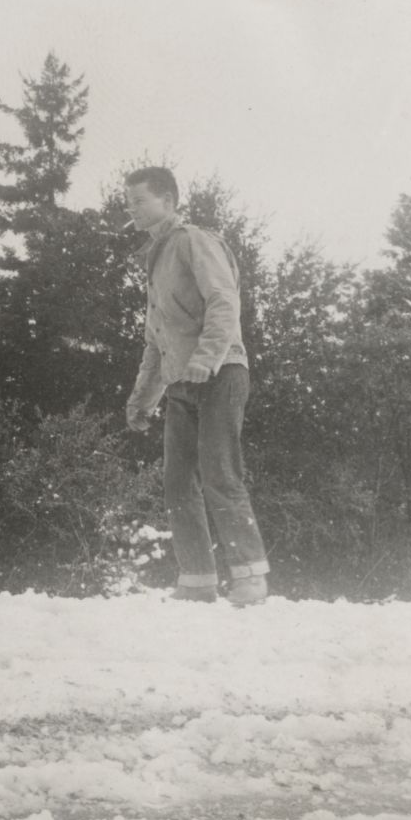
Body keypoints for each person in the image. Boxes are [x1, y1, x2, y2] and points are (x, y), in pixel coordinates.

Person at [123, 166, 269, 606]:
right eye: (128, 201)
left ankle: (250, 578)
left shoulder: (193, 241)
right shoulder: (154, 257)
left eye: (140, 200)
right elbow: (156, 341)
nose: (131, 208)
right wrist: (142, 401)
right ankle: (198, 579)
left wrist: (207, 361)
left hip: (221, 373)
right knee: (176, 482)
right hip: (182, 384)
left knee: (219, 473)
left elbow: (224, 301)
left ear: (168, 200)